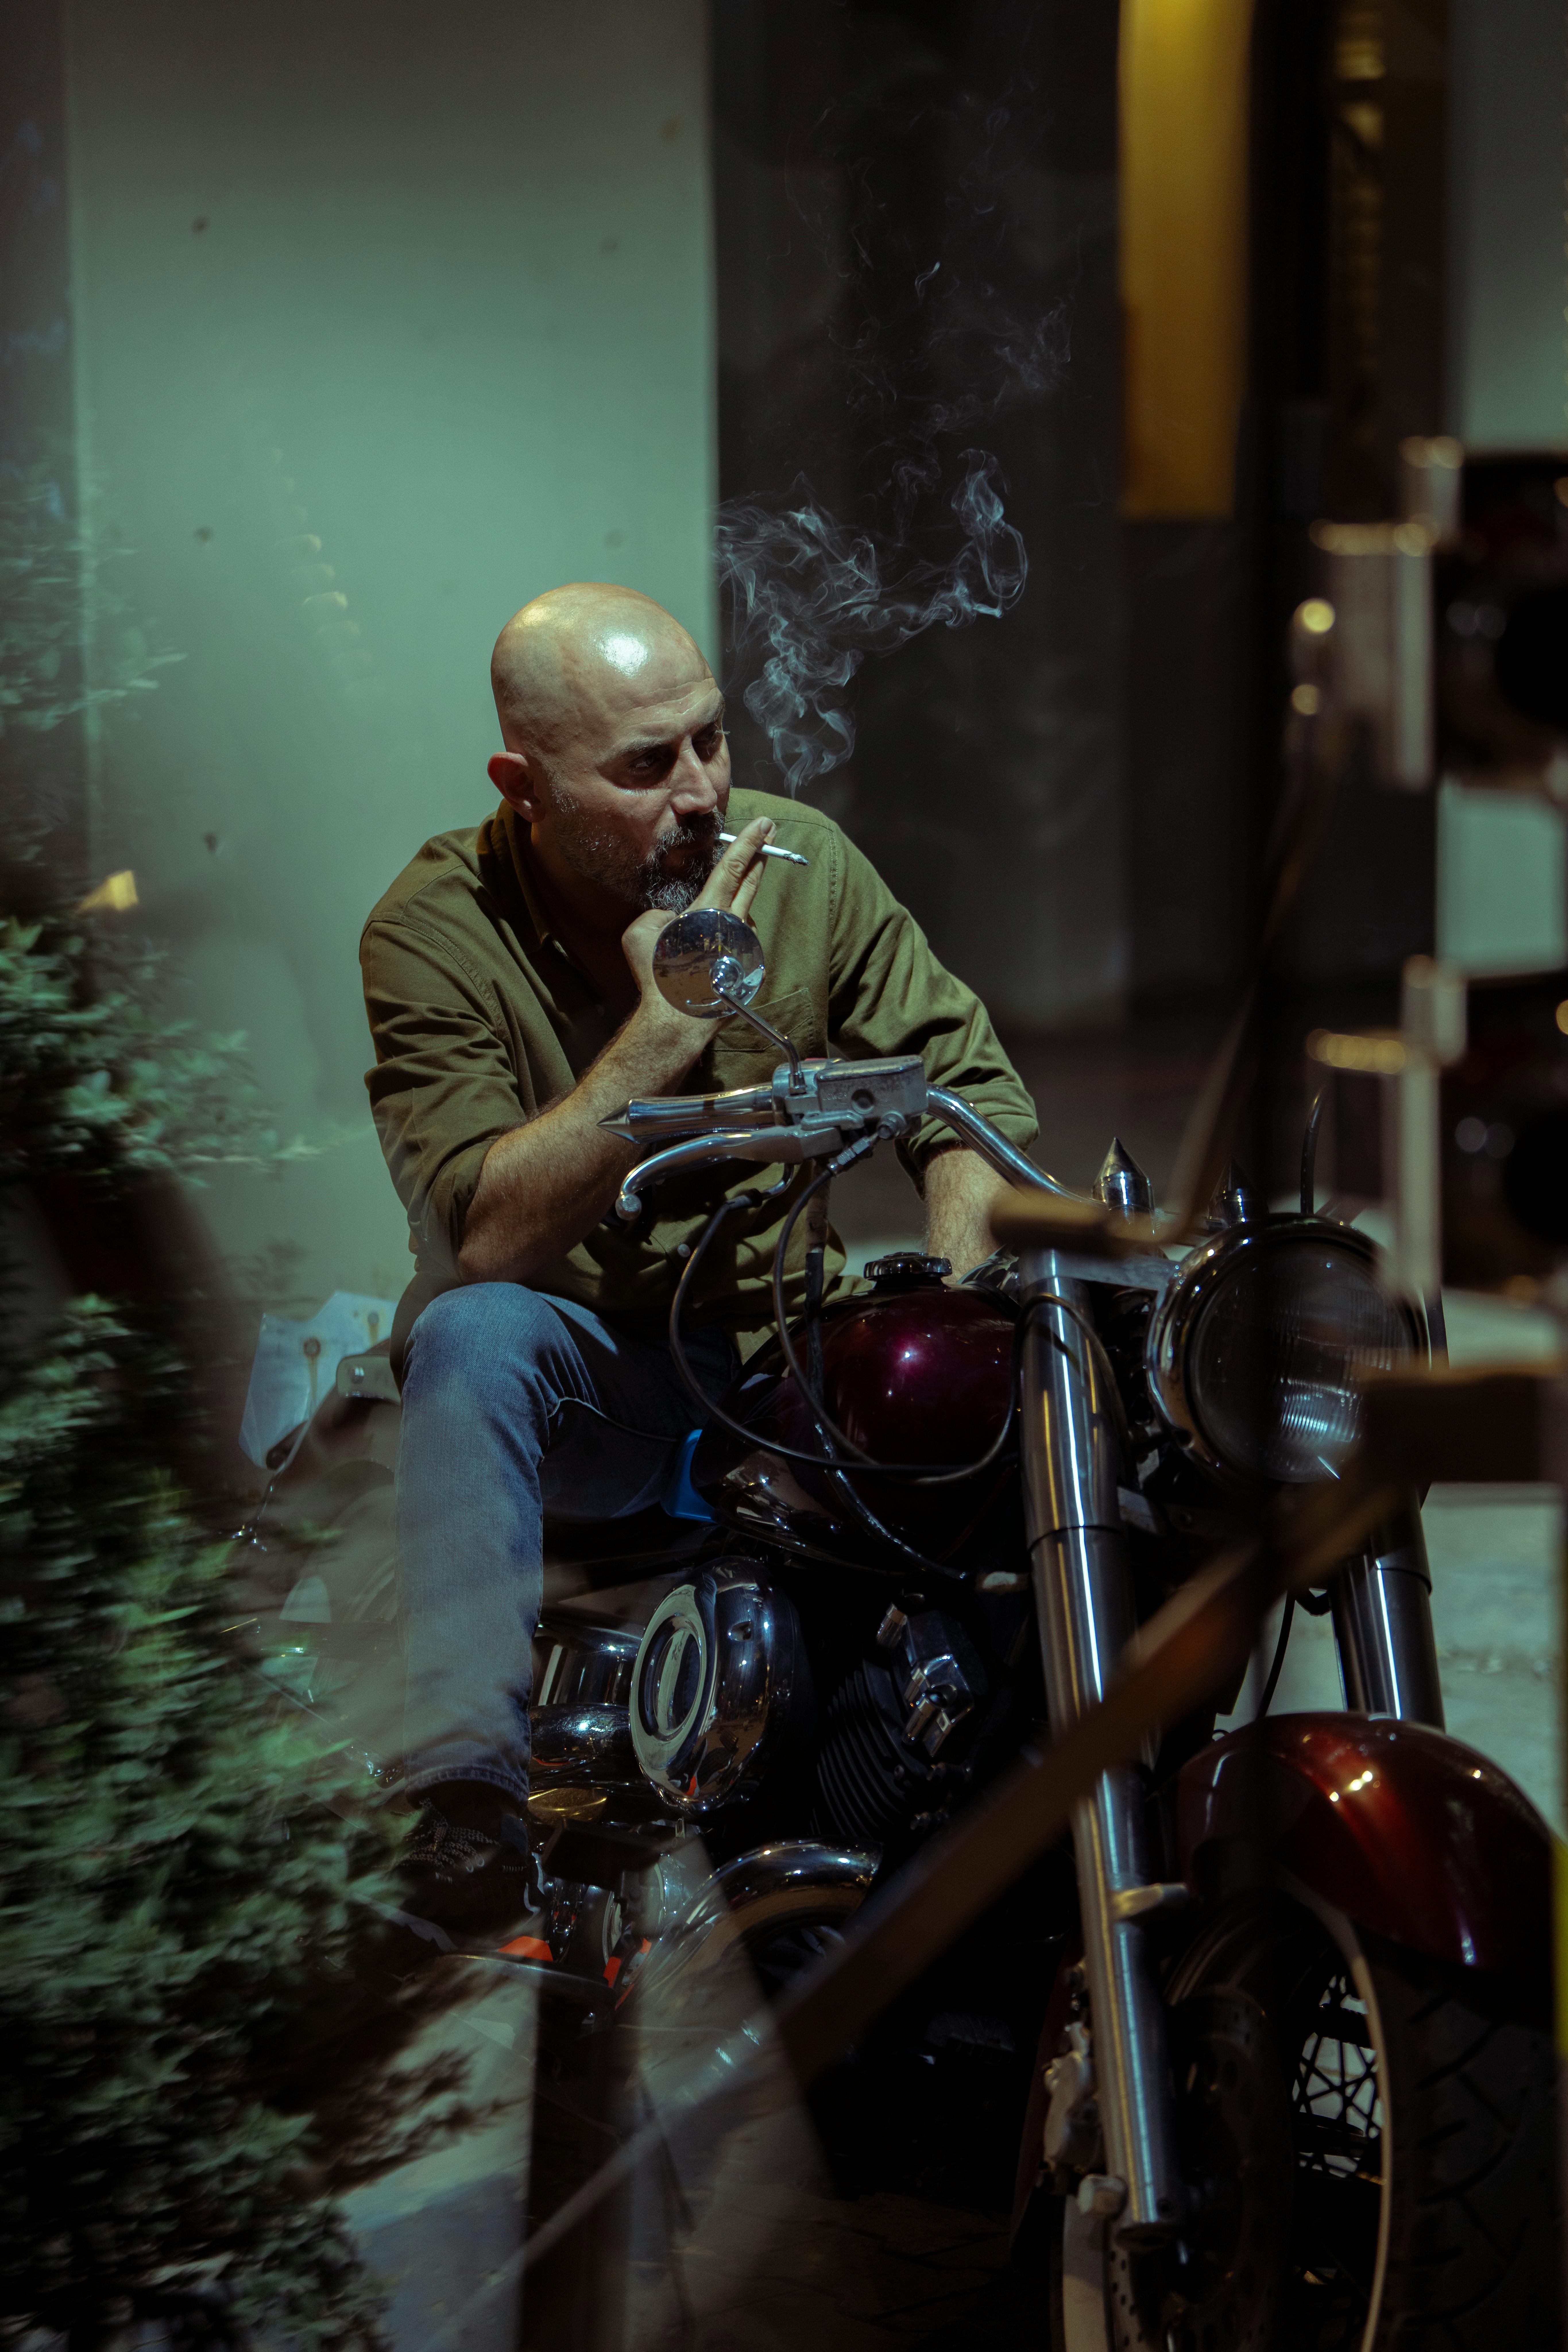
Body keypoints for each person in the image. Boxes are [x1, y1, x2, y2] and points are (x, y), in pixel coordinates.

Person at [360, 581, 1039, 1935]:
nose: (702, 794)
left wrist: (963, 1298)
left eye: (710, 742)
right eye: (644, 765)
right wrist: (665, 1026)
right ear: (525, 785)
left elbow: (974, 1097)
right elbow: (480, 1229)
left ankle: (982, 1819)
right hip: (594, 1373)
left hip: (782, 1351)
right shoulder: (433, 927)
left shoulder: (806, 863)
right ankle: (460, 1800)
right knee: (472, 1333)